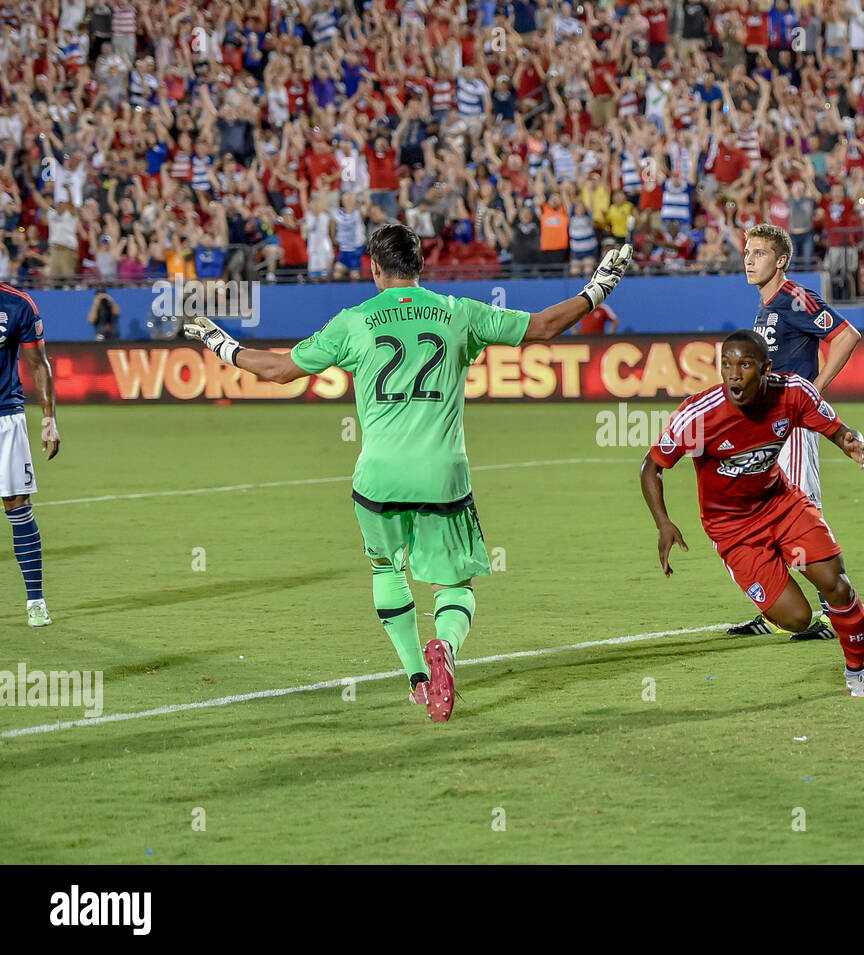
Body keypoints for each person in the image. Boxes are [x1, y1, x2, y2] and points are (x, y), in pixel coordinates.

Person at [184, 224, 632, 722]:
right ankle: (446, 647)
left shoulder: (354, 321)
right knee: (454, 586)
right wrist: (597, 289)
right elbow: (545, 326)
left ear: (373, 268)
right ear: (421, 265)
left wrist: (220, 343)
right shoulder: (458, 312)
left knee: (385, 567)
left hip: (376, 477)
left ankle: (418, 678)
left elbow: (278, 371)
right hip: (442, 476)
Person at [640, 330, 864, 699]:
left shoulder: (792, 392)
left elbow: (834, 427)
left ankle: (858, 673)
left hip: (781, 505)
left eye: (745, 364)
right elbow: (651, 467)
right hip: (733, 530)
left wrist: (847, 440)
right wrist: (663, 523)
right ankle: (771, 595)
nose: (734, 374)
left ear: (766, 368)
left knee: (836, 583)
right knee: (797, 619)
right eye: (726, 364)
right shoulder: (698, 415)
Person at [727, 223, 860, 639]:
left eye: (759, 253)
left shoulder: (795, 297)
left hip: (793, 427)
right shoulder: (765, 307)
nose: (749, 259)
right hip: (766, 427)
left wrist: (814, 392)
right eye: (747, 252)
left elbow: (846, 335)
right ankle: (775, 607)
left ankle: (830, 609)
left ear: (781, 259)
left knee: (801, 513)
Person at [0, 283, 58, 626]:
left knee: (17, 506)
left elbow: (39, 364)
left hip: (5, 417)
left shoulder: (17, 304)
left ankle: (35, 601)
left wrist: (49, 418)